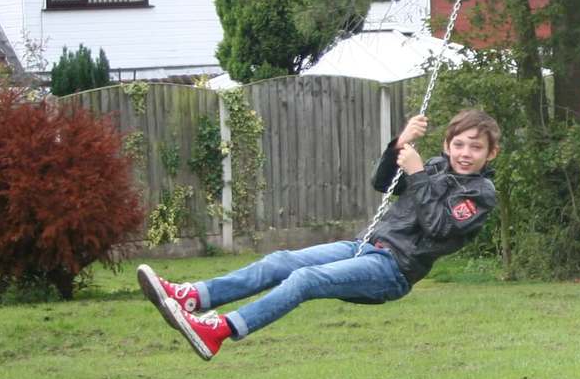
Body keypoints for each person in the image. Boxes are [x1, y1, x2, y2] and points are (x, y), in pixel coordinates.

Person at [139, 109, 501, 360]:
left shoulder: (480, 193)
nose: (466, 153)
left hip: (392, 270)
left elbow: (438, 227)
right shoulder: (436, 166)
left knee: (305, 280)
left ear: (491, 152)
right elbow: (382, 183)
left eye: (476, 147)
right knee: (280, 262)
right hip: (364, 247)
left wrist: (418, 174)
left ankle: (218, 331)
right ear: (447, 144)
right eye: (460, 144)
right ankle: (193, 297)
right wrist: (398, 145)